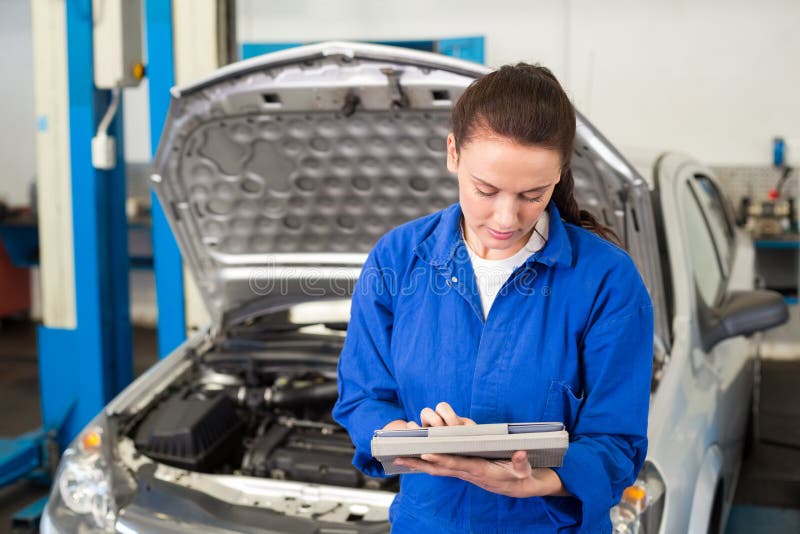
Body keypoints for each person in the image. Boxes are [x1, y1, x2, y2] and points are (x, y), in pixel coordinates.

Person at [332, 63, 653, 533]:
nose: (506, 218)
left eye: (532, 194)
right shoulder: (397, 261)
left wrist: (537, 480)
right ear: (452, 155)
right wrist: (404, 437)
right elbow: (362, 397)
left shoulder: (607, 281)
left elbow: (617, 442)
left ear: (559, 175)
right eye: (485, 190)